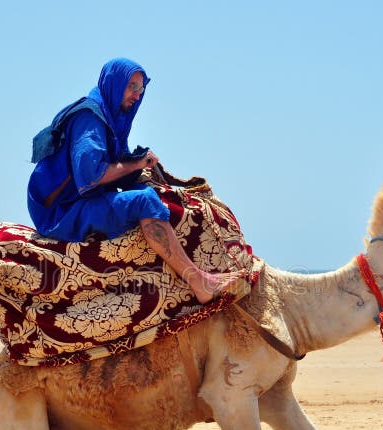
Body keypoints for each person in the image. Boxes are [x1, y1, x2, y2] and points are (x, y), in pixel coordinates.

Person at [27, 58, 243, 304]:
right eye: (131, 87)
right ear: (114, 84)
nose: (137, 95)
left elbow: (119, 164)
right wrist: (137, 164)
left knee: (153, 193)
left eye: (141, 89)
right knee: (144, 201)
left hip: (81, 200)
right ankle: (199, 283)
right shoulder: (91, 118)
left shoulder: (113, 117)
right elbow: (90, 177)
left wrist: (142, 165)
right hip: (61, 212)